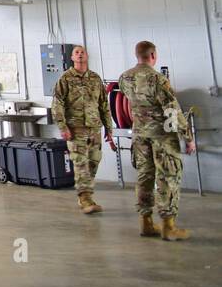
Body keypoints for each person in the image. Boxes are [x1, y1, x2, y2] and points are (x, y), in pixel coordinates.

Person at [119, 41, 197, 240]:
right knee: (167, 177)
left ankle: (146, 223)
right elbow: (171, 110)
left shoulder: (125, 77)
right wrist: (187, 137)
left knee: (144, 176)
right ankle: (168, 227)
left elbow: (131, 104)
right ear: (153, 55)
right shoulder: (158, 79)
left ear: (137, 55)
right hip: (162, 136)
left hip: (139, 135)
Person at [50, 44, 116, 214]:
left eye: (82, 52)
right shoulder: (65, 79)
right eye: (76, 53)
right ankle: (85, 197)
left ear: (87, 56)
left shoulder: (95, 78)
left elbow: (103, 104)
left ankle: (85, 192)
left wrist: (109, 128)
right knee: (80, 163)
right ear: (72, 58)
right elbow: (57, 104)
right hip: (75, 128)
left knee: (94, 161)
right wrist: (63, 126)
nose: (80, 55)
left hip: (94, 128)